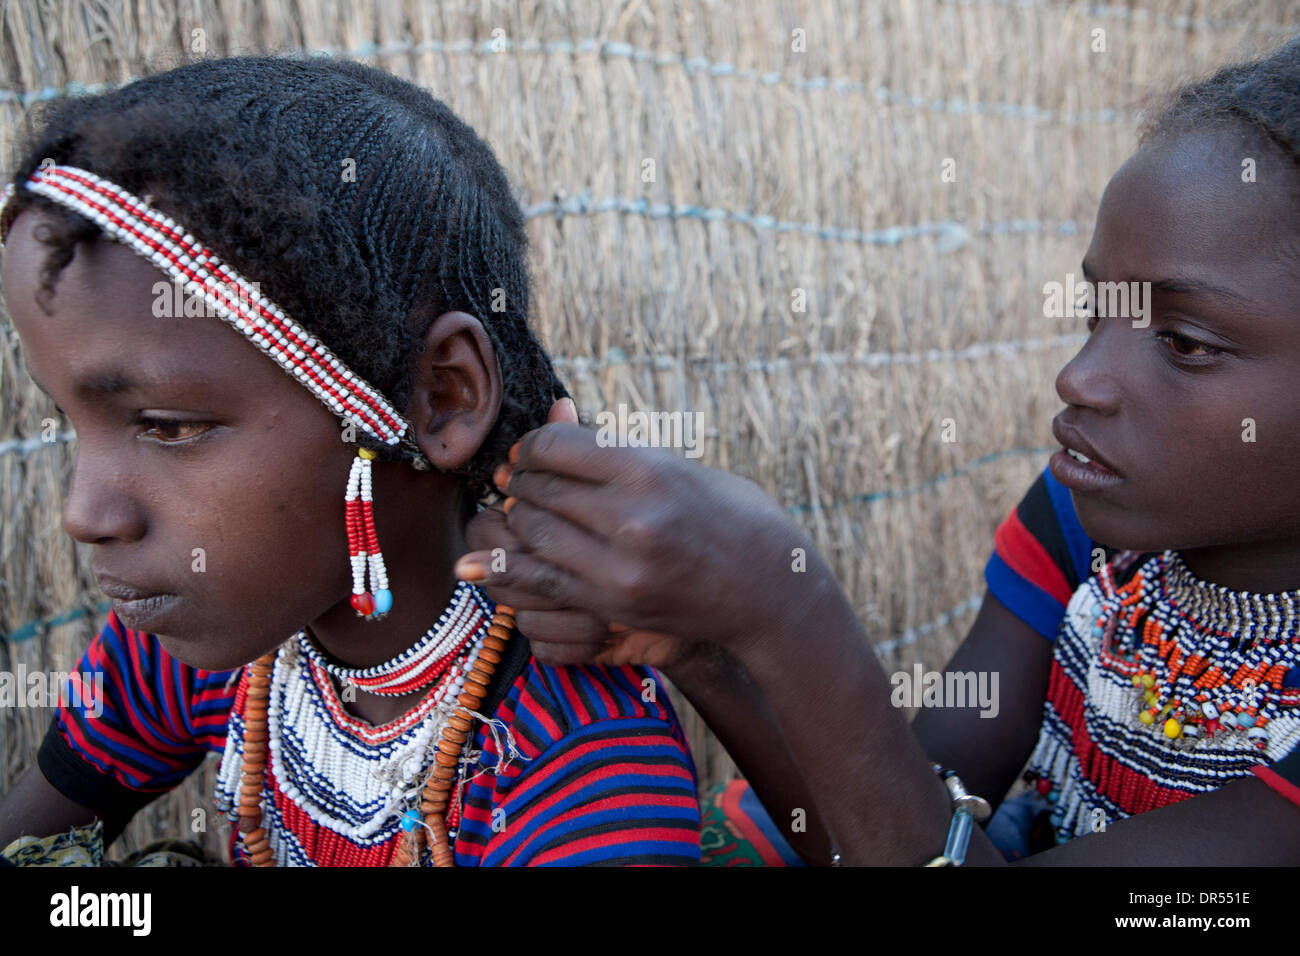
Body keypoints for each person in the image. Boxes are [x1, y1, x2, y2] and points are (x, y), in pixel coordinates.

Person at [454, 35, 1300, 865]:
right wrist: (702, 650)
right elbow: (896, 817)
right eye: (1096, 316)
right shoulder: (1081, 528)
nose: (1081, 378)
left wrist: (789, 613)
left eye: (1186, 343)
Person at [0, 53, 700, 867]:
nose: (83, 514)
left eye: (168, 426)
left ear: (440, 396)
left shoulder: (579, 770)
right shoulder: (187, 649)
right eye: (72, 422)